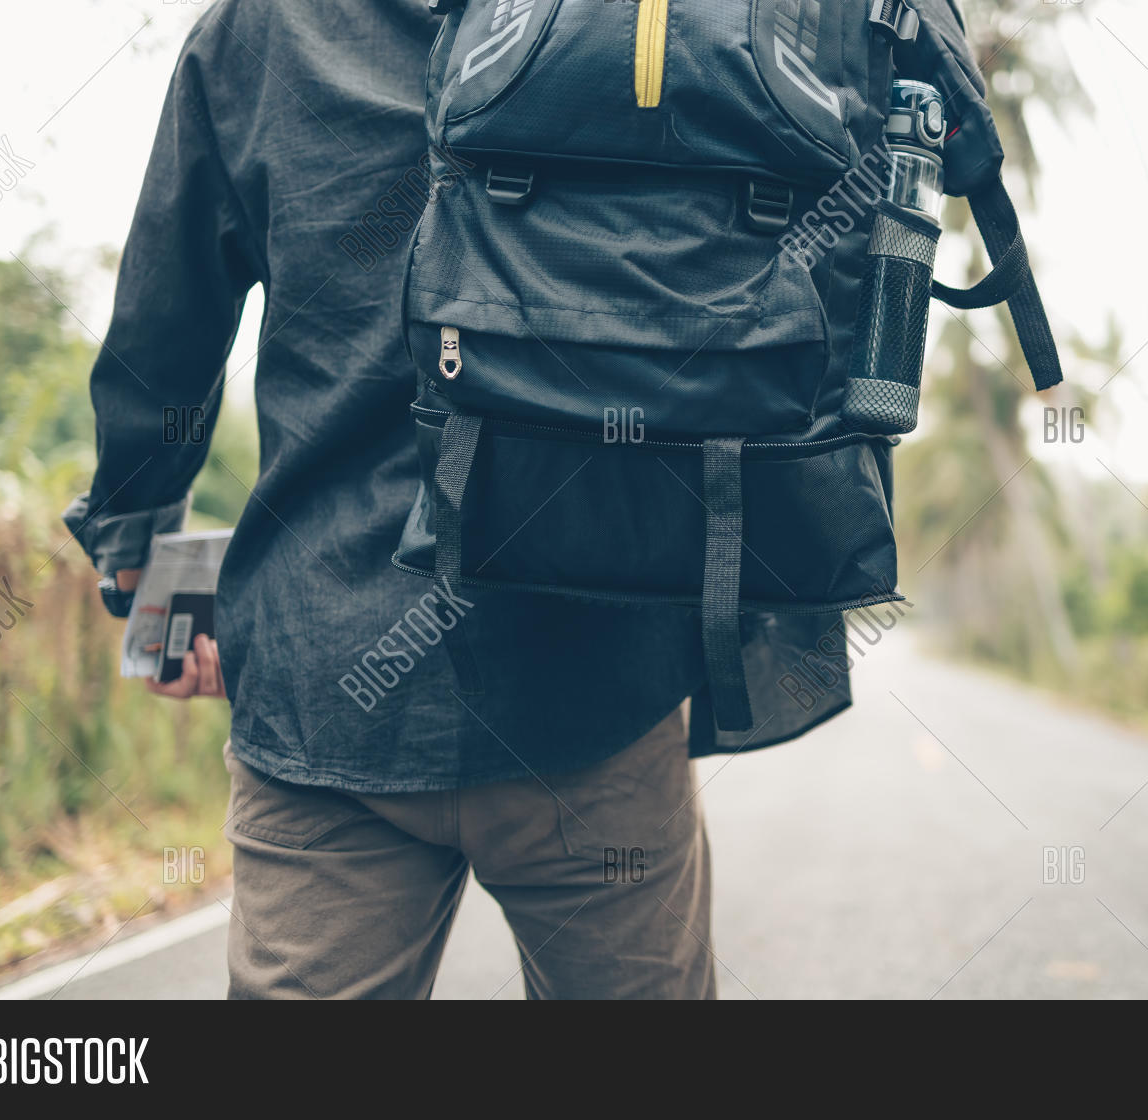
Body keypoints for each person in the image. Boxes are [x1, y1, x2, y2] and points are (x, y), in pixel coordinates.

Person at [64, 0, 850, 1000]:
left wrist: (139, 564)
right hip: (592, 676)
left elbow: (164, 328)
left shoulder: (261, 31)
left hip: (330, 690)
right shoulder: (652, 22)